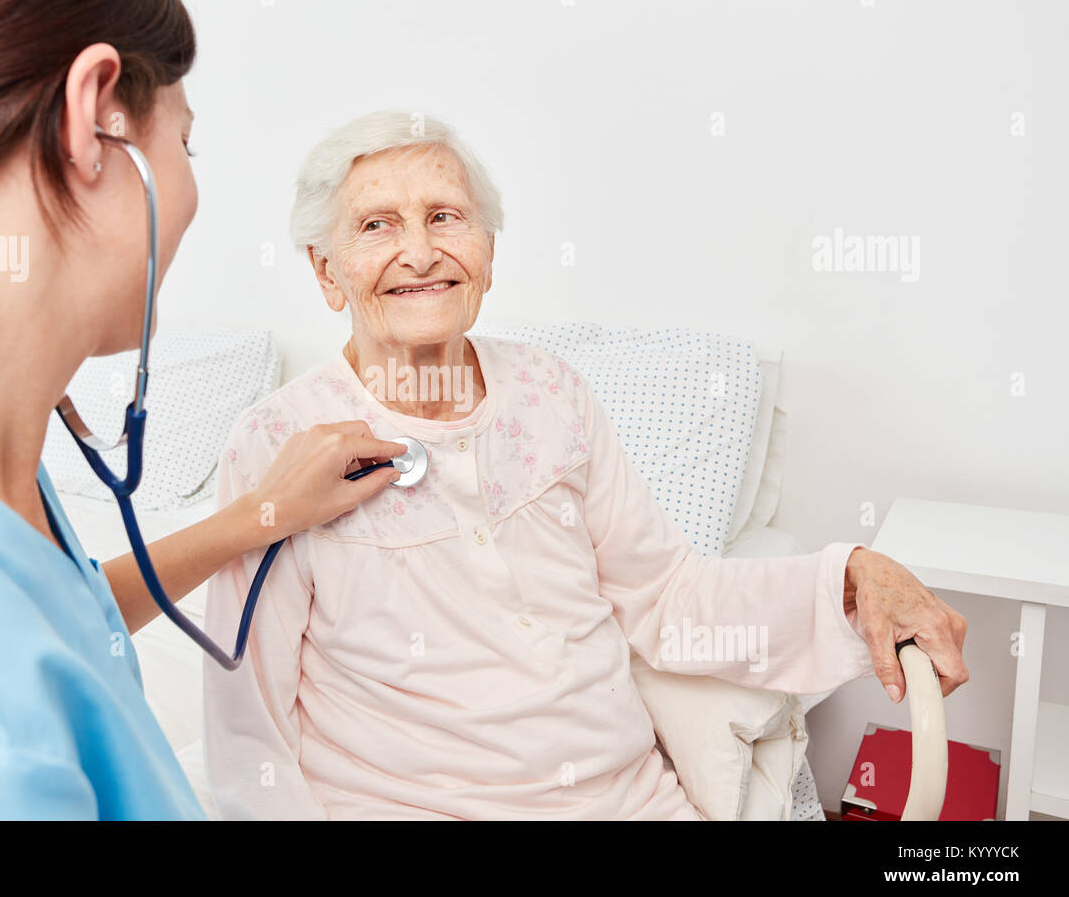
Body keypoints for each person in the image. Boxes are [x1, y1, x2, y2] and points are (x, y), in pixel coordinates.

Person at [0, 0, 404, 819]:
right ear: (93, 118)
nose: (189, 188)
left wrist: (262, 515)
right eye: (184, 142)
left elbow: (55, 627)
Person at [201, 110, 970, 819]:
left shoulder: (549, 390)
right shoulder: (278, 441)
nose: (420, 251)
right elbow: (249, 725)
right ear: (326, 271)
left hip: (627, 801)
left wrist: (850, 576)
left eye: (445, 217)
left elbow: (669, 597)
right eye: (377, 225)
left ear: (489, 254)